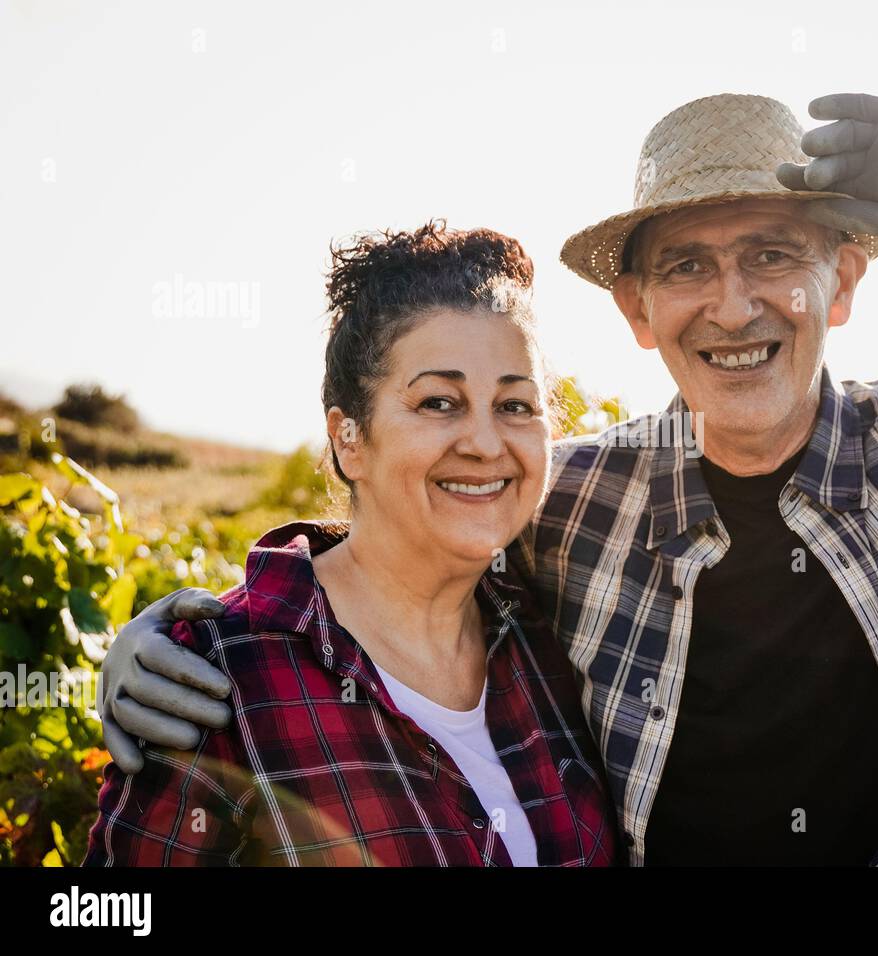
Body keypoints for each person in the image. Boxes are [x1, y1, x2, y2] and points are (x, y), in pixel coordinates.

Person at [97, 92, 878, 866]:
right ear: (635, 312)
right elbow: (413, 528)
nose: (733, 305)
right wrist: (203, 626)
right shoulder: (578, 501)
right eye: (686, 267)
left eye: (773, 253)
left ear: (841, 281)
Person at [84, 223, 617, 866]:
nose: (485, 441)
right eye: (438, 402)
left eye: (515, 405)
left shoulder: (547, 634)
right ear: (349, 439)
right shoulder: (218, 679)